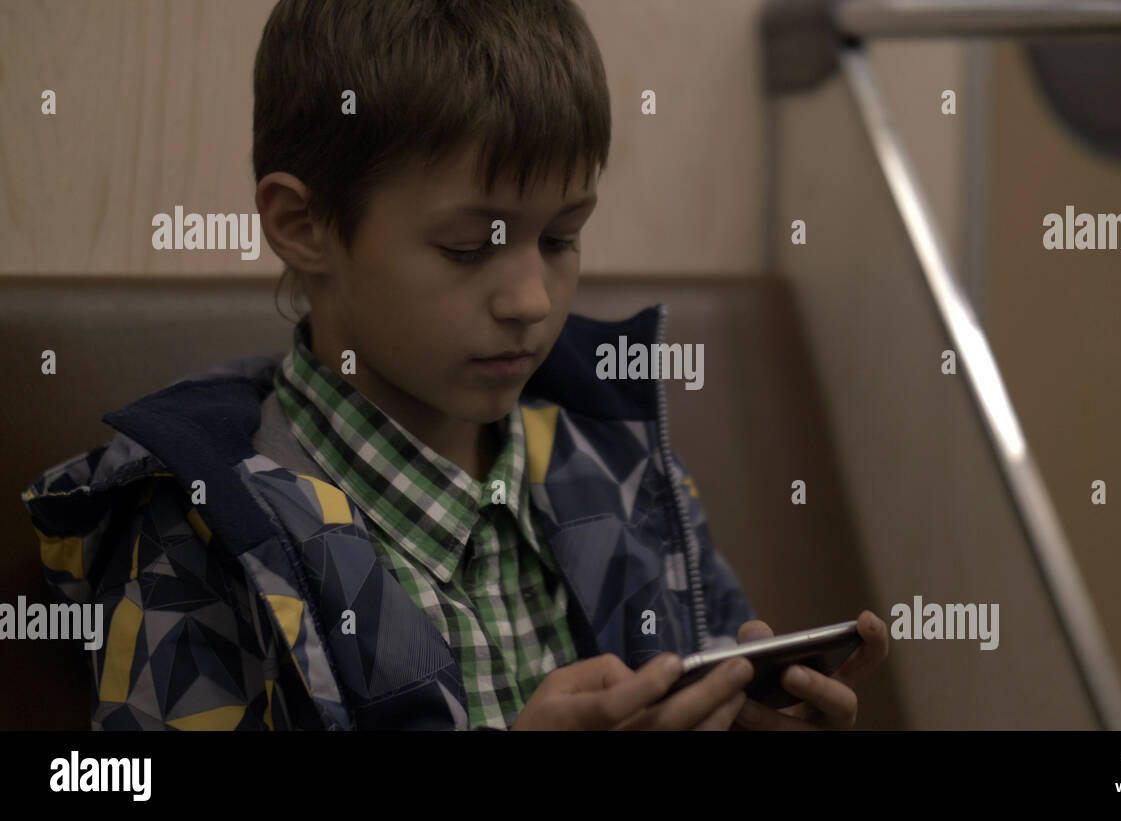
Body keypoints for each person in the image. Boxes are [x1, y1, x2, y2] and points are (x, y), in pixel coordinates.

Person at [20, 0, 887, 731]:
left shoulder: (619, 459)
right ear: (302, 224)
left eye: (560, 238)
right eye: (472, 247)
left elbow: (716, 658)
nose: (533, 299)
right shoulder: (200, 525)